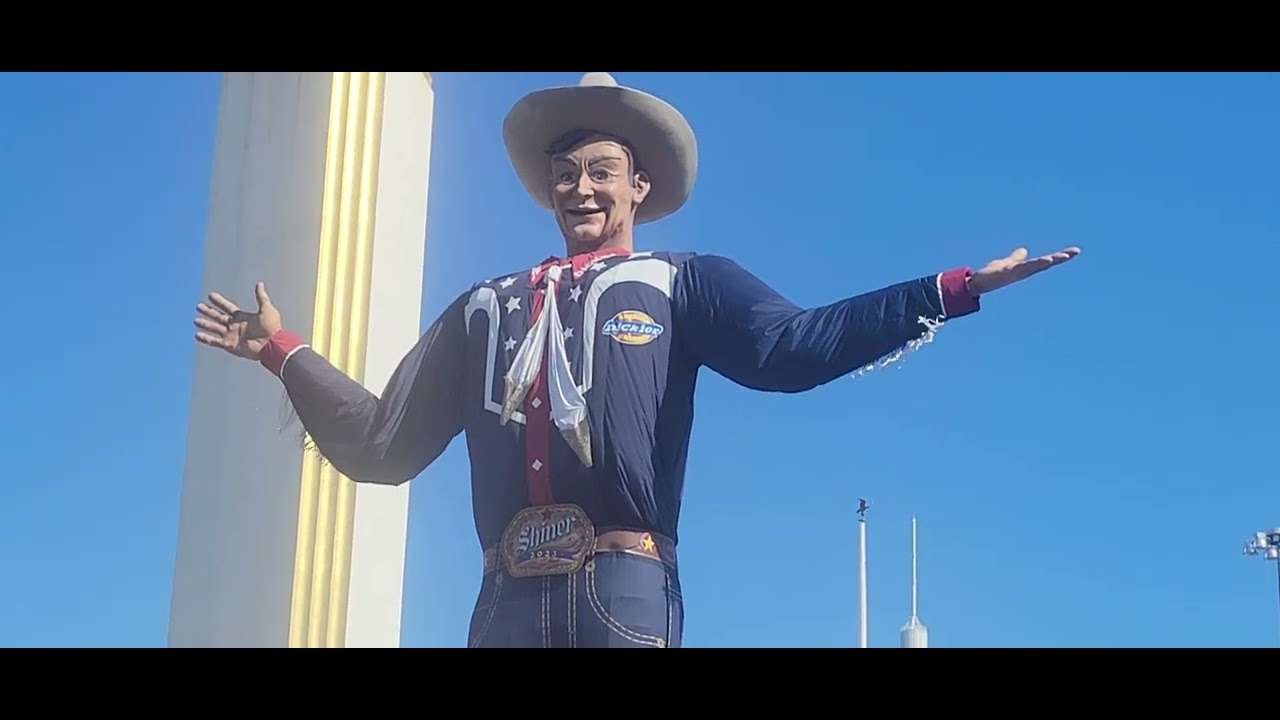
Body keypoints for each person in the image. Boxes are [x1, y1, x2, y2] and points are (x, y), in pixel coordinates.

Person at [192, 72, 1080, 648]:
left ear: (639, 187)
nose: (582, 187)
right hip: (505, 599)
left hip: (623, 586)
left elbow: (793, 347)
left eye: (602, 170)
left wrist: (952, 287)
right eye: (566, 173)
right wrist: (281, 350)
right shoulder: (486, 307)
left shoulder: (677, 282)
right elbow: (381, 443)